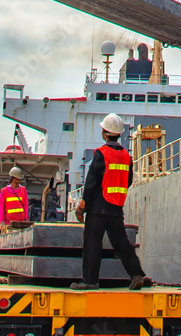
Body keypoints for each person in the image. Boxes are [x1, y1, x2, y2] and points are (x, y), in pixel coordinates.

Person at [70, 113, 146, 291]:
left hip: (98, 207)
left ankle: (90, 281)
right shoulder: (126, 157)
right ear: (118, 134)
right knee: (121, 243)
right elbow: (128, 181)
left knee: (92, 243)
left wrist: (82, 205)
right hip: (116, 208)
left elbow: (91, 183)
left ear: (105, 133)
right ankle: (137, 274)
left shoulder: (101, 154)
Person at [0, 167, 28, 232]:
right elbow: (1, 207)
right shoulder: (4, 191)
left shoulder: (23, 190)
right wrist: (2, 221)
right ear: (14, 178)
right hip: (9, 224)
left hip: (21, 224)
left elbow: (25, 206)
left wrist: (26, 219)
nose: (20, 180)